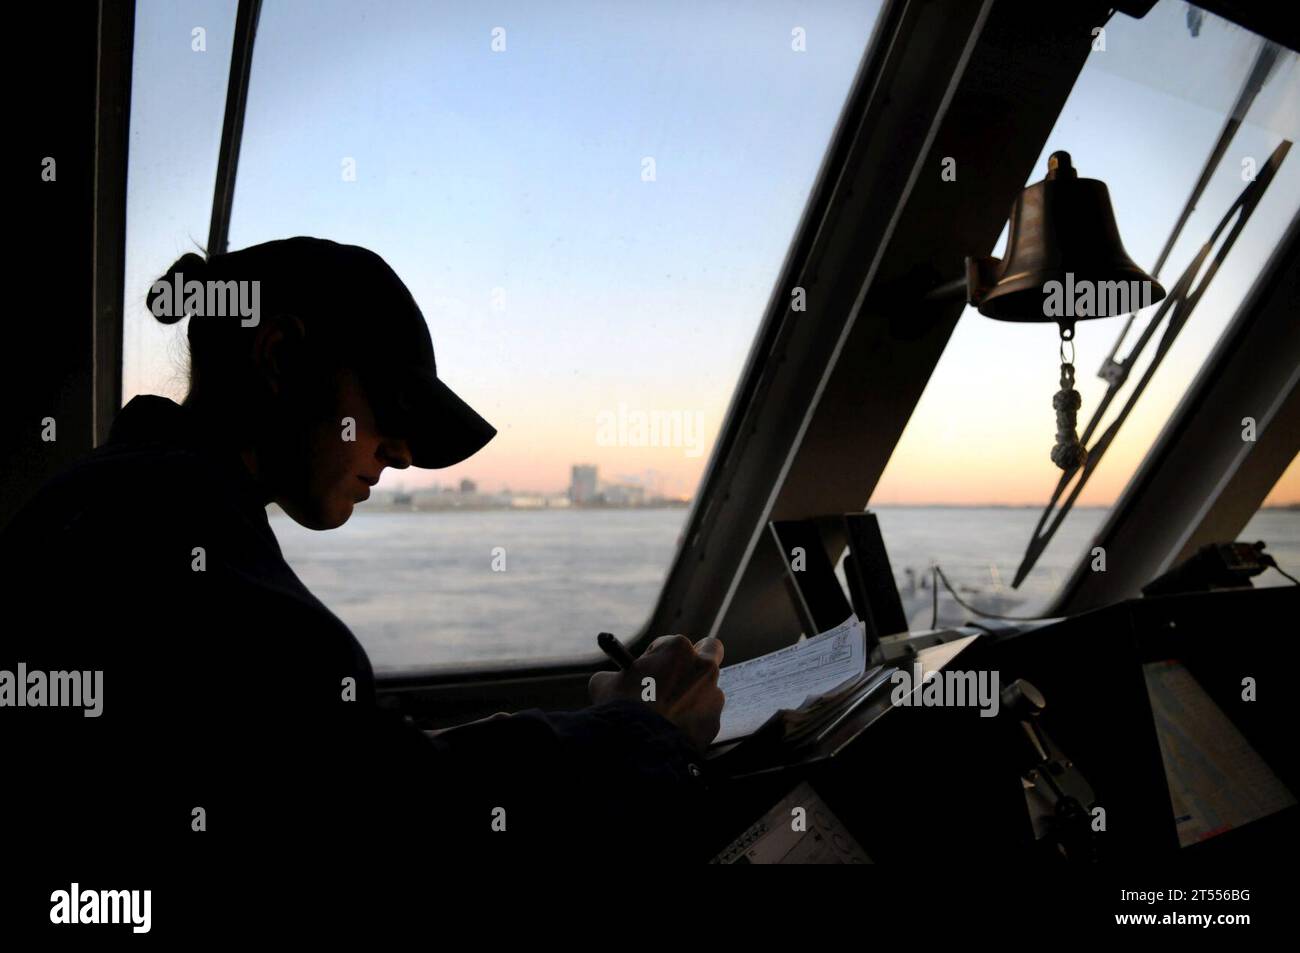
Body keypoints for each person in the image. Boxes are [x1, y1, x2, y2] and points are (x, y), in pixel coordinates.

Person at [1, 237, 725, 867]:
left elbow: (331, 776)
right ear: (279, 356)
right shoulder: (230, 596)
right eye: (389, 409)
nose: (405, 453)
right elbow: (410, 832)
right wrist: (639, 728)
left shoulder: (97, 504)